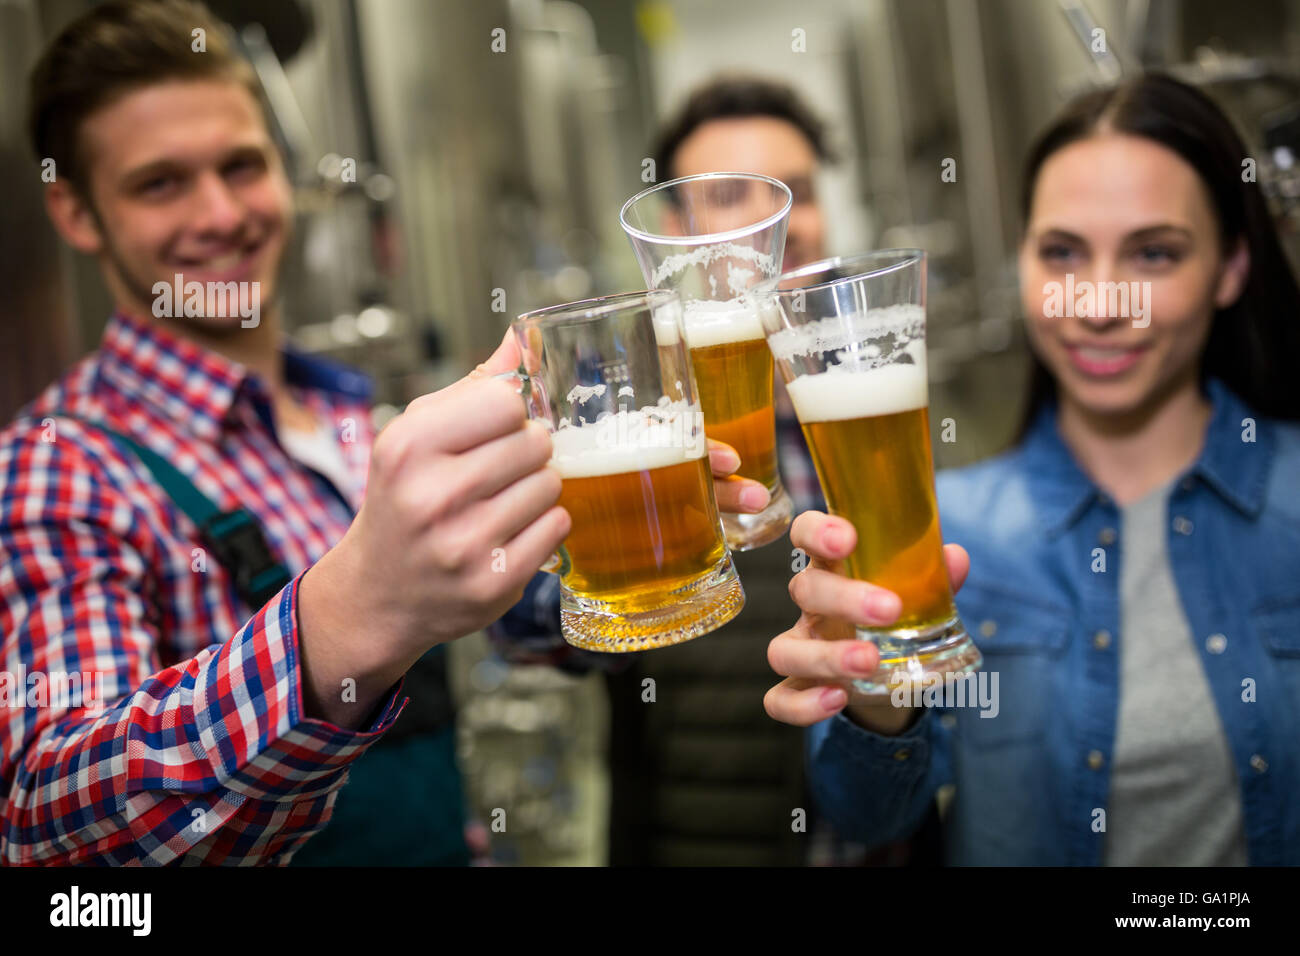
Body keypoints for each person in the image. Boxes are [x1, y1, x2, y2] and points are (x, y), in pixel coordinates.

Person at [0, 0, 757, 866]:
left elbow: (498, 614)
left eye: (242, 166)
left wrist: (622, 557)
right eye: (160, 183)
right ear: (75, 213)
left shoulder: (348, 419)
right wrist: (345, 618)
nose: (219, 213)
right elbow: (43, 818)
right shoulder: (59, 466)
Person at [763, 72, 1300, 865]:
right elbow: (872, 814)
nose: (1100, 302)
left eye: (1153, 253)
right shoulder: (941, 532)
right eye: (1062, 253)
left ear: (1230, 269)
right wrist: (872, 697)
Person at [492, 77, 896, 866]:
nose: (769, 224)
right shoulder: (622, 423)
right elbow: (521, 626)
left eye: (796, 194)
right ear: (670, 235)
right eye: (731, 196)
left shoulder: (883, 407)